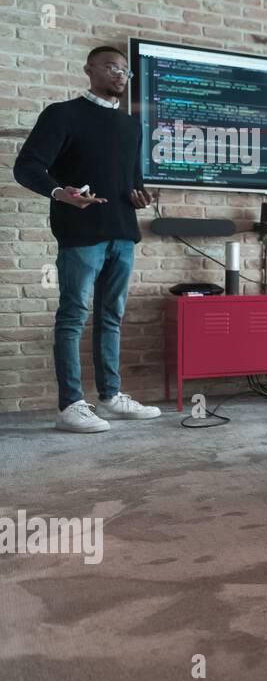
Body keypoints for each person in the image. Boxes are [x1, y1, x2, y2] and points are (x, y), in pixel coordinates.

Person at [12, 45, 161, 432]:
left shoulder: (131, 125)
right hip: (81, 234)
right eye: (111, 67)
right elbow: (26, 166)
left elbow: (132, 181)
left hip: (123, 234)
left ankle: (110, 398)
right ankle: (70, 405)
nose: (119, 75)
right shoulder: (62, 114)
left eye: (125, 71)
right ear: (89, 69)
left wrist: (138, 196)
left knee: (111, 317)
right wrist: (61, 193)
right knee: (74, 315)